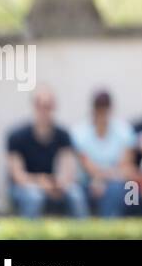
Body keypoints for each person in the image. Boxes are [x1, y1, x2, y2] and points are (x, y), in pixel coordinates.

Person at [6, 88, 88, 218]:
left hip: (55, 185)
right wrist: (41, 182)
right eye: (40, 105)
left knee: (76, 194)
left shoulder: (63, 135)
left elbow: (68, 170)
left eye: (48, 106)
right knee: (34, 196)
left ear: (54, 107)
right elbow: (18, 176)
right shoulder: (17, 137)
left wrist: (58, 184)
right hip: (26, 186)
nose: (44, 110)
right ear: (34, 106)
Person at [71, 89, 136, 218]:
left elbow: (125, 164)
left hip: (115, 181)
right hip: (86, 182)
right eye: (99, 107)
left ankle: (111, 228)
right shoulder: (79, 132)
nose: (102, 112)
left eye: (105, 108)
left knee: (129, 189)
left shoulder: (123, 131)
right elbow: (86, 165)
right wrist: (99, 179)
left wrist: (103, 178)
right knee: (75, 193)